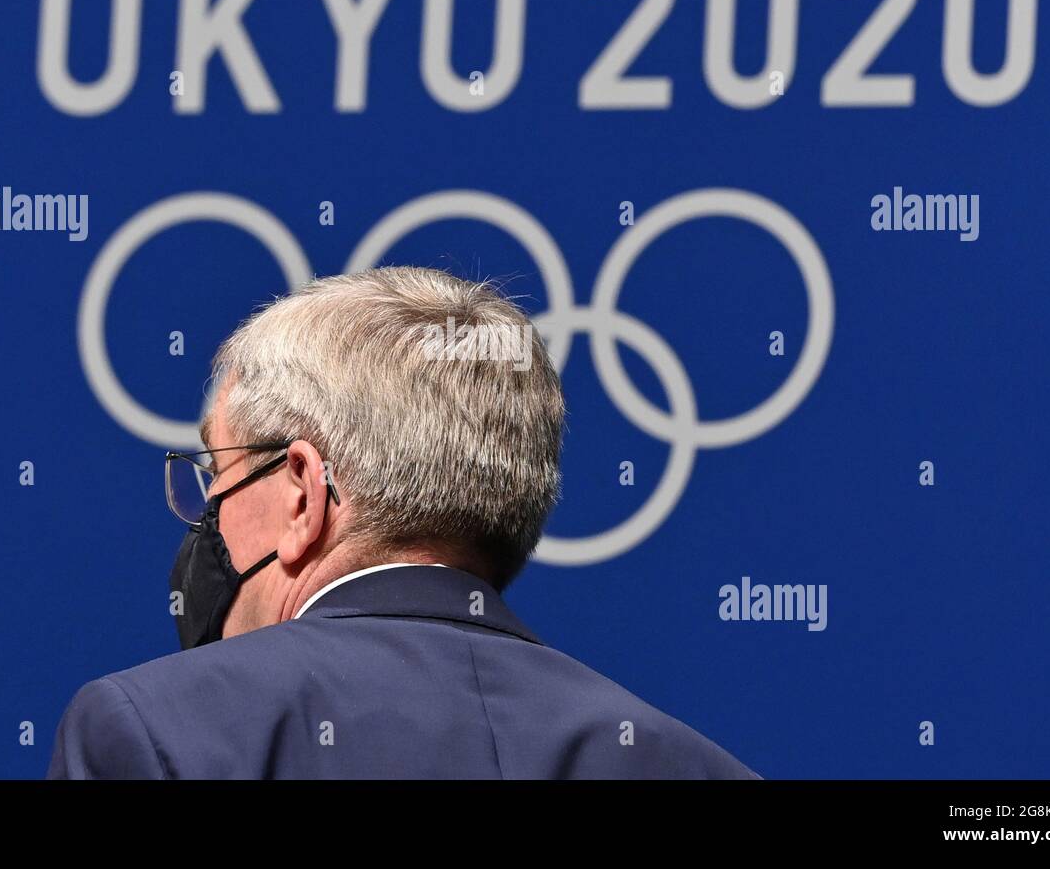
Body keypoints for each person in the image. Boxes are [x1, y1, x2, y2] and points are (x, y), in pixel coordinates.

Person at [47, 266, 758, 779]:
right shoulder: (688, 763)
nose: (206, 518)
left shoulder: (155, 733)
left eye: (219, 472)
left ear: (302, 493)